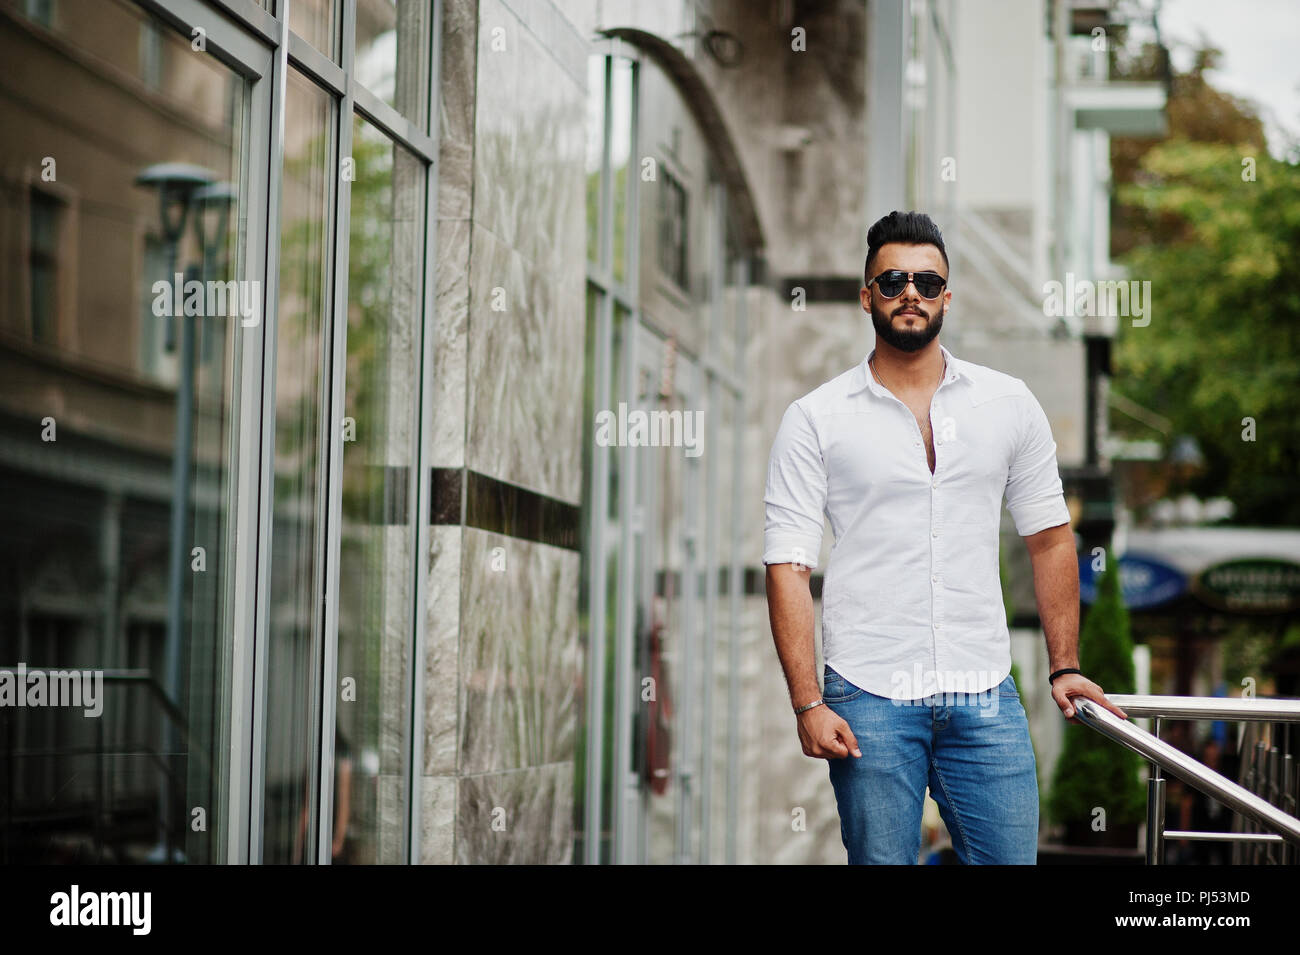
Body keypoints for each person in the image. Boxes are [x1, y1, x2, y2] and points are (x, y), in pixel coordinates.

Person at [762, 210, 1127, 864]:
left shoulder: (1007, 403)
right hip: (868, 693)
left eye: (928, 282)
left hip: (984, 689)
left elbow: (1049, 536)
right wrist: (806, 701)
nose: (912, 293)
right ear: (866, 294)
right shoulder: (815, 419)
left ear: (947, 298)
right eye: (894, 279)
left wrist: (1065, 663)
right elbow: (787, 565)